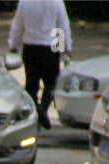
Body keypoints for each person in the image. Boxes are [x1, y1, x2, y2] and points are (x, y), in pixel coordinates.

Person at [9, 0, 72, 130]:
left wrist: (13, 45)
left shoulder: (25, 2)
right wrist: (66, 47)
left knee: (32, 84)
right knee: (51, 83)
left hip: (31, 46)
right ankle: (43, 109)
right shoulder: (56, 2)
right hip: (52, 45)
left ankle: (37, 111)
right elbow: (62, 26)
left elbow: (18, 25)